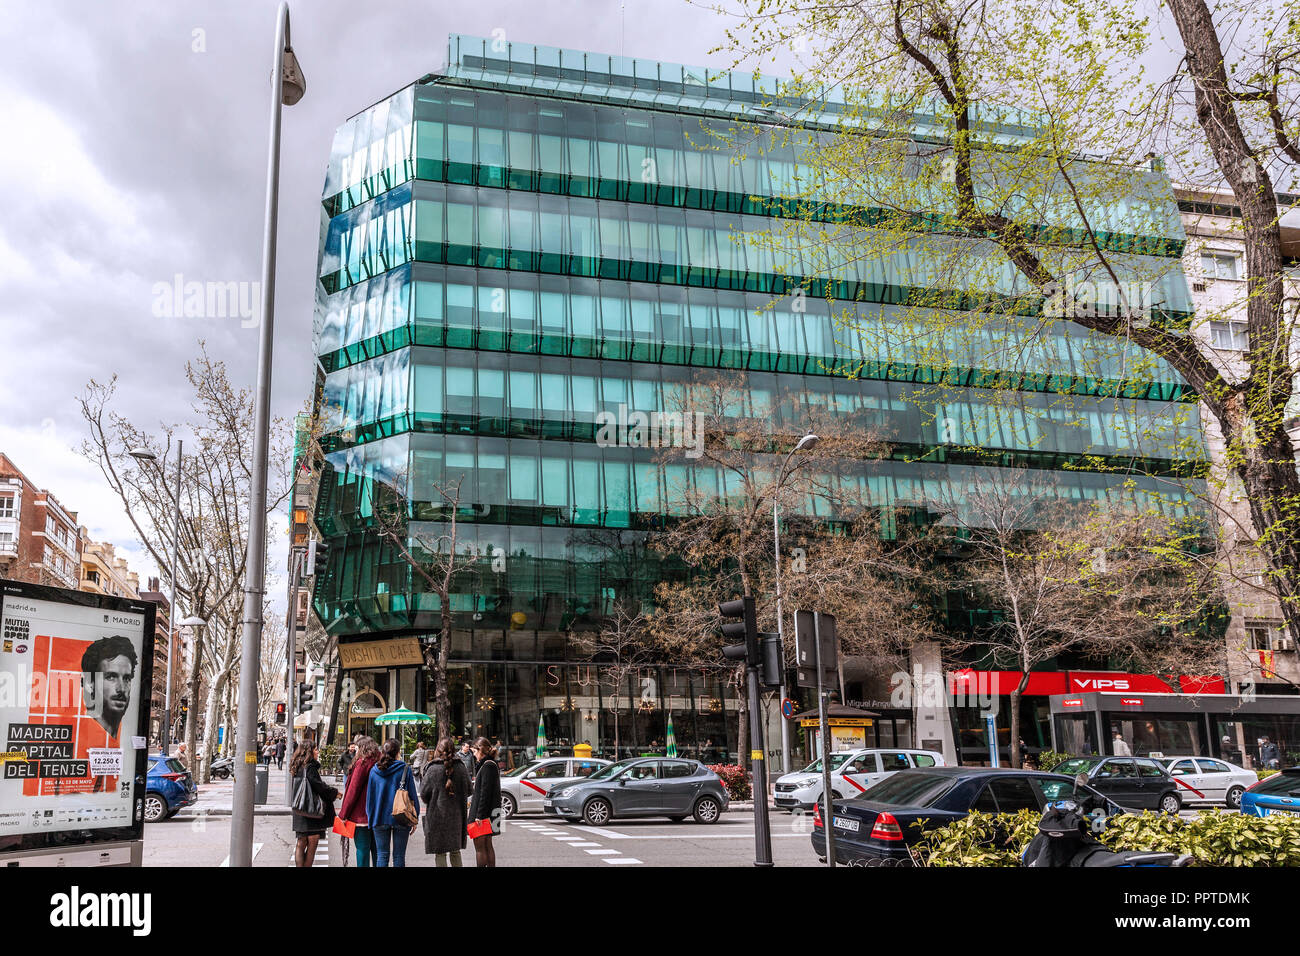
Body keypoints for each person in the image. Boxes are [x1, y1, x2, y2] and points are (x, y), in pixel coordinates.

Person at [366, 738, 419, 867]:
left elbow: (370, 799)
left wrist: (371, 818)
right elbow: (412, 796)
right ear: (397, 752)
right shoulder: (404, 769)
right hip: (401, 816)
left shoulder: (374, 771)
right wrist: (414, 818)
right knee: (399, 856)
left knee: (382, 855)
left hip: (379, 817)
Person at [420, 737, 470, 867]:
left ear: (438, 750)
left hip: (437, 816)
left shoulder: (432, 769)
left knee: (440, 852)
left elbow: (424, 795)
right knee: (455, 851)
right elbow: (469, 790)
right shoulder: (461, 767)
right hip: (456, 816)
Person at [290, 732, 338, 867]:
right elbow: (319, 787)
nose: (317, 752)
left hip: (299, 807)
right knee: (313, 841)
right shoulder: (310, 767)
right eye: (315, 749)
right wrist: (334, 793)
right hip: (311, 808)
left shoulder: (296, 765)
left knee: (301, 841)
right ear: (309, 751)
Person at [338, 736, 380, 866]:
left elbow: (353, 791)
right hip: (379, 814)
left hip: (361, 815)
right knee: (378, 851)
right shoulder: (381, 762)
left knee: (362, 849)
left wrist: (343, 814)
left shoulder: (362, 763)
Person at [468, 737, 501, 868]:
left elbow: (485, 793)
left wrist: (479, 815)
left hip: (483, 814)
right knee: (487, 846)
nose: (474, 754)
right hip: (490, 813)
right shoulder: (490, 764)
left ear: (480, 750)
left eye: (474, 751)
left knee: (480, 848)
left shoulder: (487, 765)